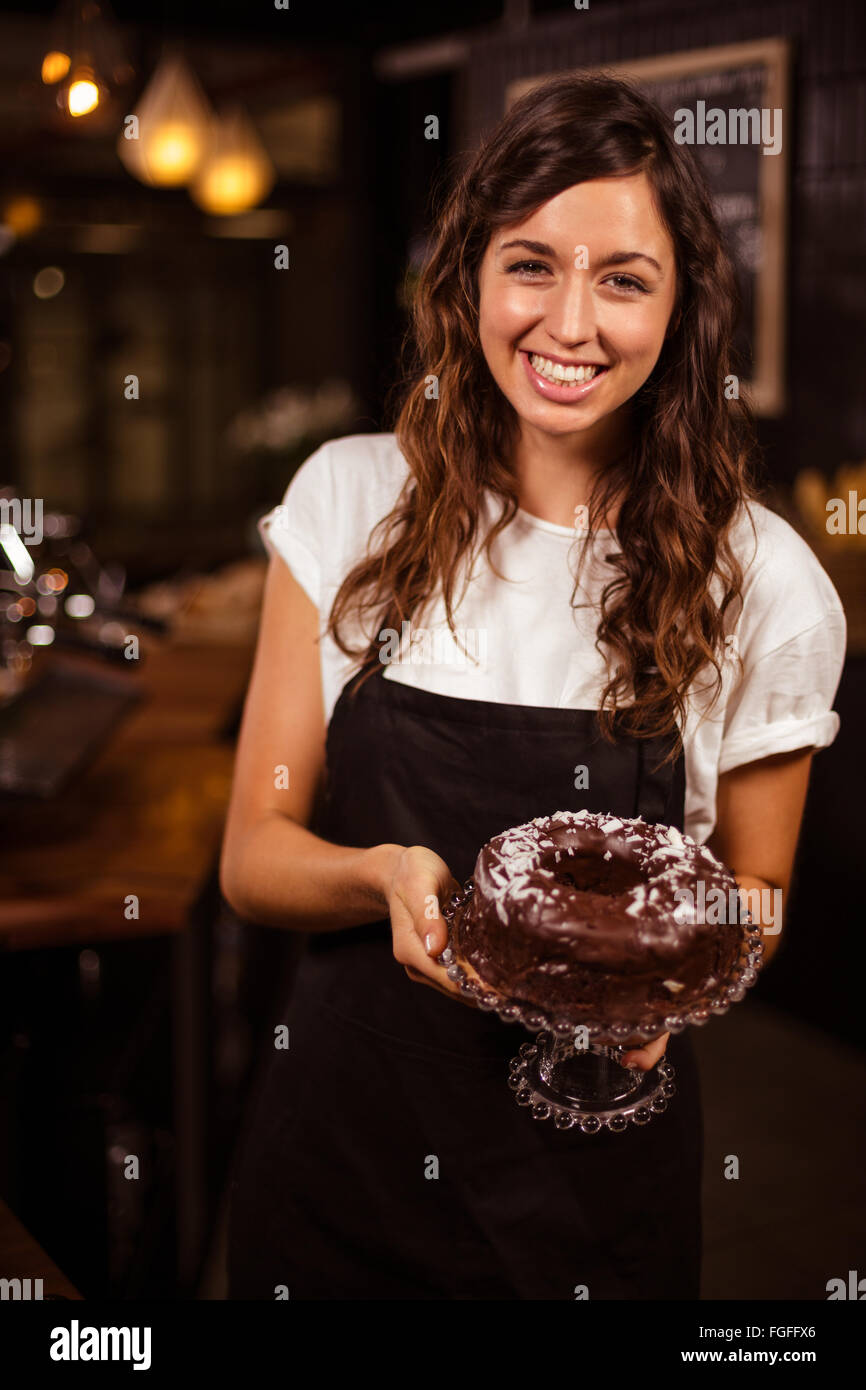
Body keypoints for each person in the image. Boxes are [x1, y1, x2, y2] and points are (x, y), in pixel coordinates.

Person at [220, 72, 846, 1300]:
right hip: (342, 1154)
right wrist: (384, 875)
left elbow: (757, 898)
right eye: (529, 264)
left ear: (679, 312)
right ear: (467, 280)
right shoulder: (347, 500)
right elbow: (253, 854)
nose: (569, 323)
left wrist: (661, 989)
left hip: (590, 1189)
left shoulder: (760, 576)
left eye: (621, 278)